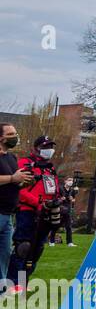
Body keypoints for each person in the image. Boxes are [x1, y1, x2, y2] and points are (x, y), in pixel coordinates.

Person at [8, 135, 62, 290]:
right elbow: (20, 190)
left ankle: (24, 281)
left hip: (46, 211)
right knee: (23, 247)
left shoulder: (50, 168)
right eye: (45, 147)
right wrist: (38, 203)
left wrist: (57, 201)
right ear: (36, 148)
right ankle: (13, 282)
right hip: (28, 210)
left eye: (50, 147)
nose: (48, 150)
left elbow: (54, 190)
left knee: (37, 248)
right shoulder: (25, 164)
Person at [0, 122, 34, 292]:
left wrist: (23, 181)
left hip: (8, 214)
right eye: (11, 133)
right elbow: (11, 178)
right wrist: (13, 178)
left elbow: (14, 181)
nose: (15, 136)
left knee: (5, 254)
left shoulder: (11, 158)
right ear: (1, 137)